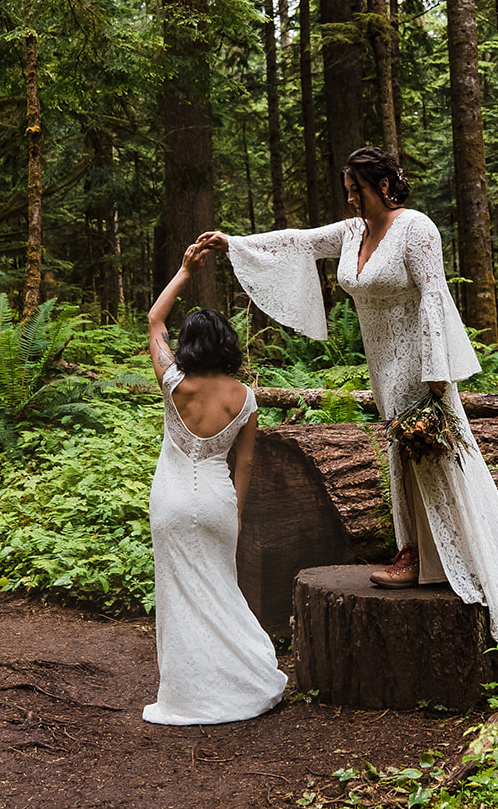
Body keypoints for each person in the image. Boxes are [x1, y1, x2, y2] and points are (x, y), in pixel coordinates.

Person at [196, 147, 498, 689]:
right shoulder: (352, 232)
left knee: (436, 459)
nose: (351, 199)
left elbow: (434, 300)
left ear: (383, 185)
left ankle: (462, 563)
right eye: (347, 191)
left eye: (357, 189)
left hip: (421, 365)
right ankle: (416, 556)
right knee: (402, 458)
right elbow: (300, 241)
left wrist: (439, 376)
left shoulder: (417, 230)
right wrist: (233, 243)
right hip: (383, 367)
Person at [142, 244, 287, 725]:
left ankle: (186, 695)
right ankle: (245, 677)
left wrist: (184, 271)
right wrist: (237, 511)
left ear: (188, 344)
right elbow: (243, 463)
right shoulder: (245, 398)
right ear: (227, 344)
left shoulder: (173, 381)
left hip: (172, 499)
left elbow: (154, 319)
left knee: (179, 597)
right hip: (219, 500)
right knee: (223, 590)